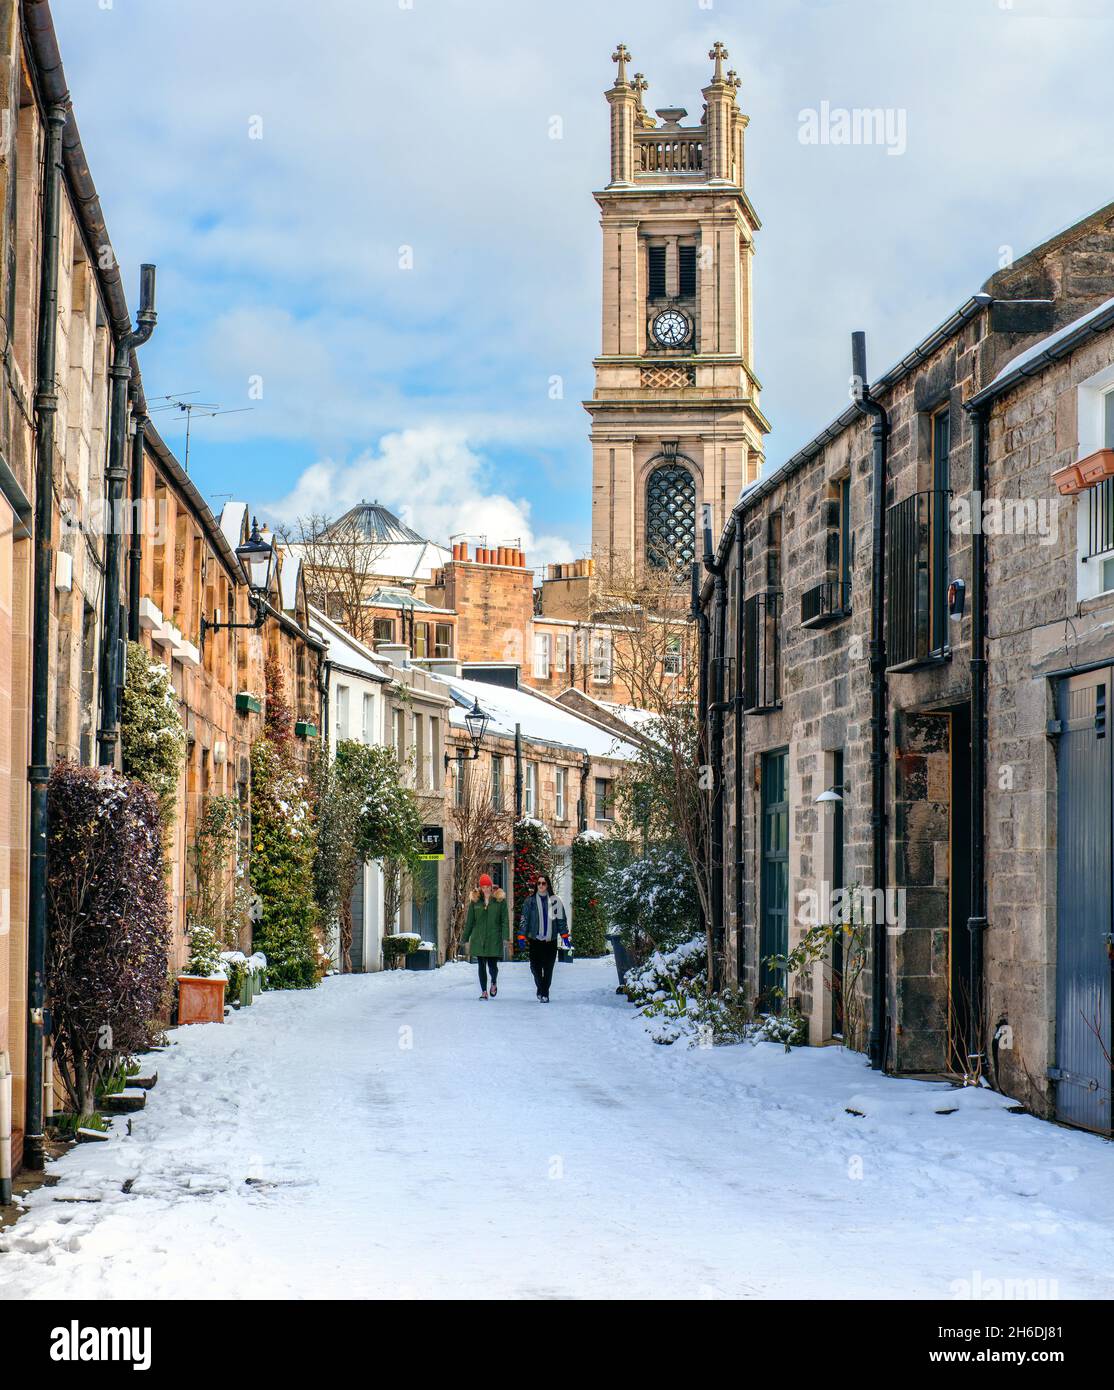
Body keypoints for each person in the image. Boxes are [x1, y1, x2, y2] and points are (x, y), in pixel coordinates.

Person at [517, 872, 570, 1002]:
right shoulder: (530, 901)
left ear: (547, 885)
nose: (541, 885)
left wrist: (564, 936)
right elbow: (524, 919)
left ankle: (545, 994)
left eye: (543, 883)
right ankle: (540, 988)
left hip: (550, 941)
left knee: (548, 969)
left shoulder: (555, 900)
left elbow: (561, 919)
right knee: (535, 968)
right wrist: (521, 936)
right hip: (536, 941)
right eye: (539, 883)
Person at [463, 873, 509, 1000]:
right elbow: (470, 921)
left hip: (494, 938)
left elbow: (505, 920)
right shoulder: (476, 901)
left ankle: (493, 982)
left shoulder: (499, 900)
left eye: (487, 886)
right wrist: (465, 938)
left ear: (491, 886)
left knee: (493, 966)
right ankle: (484, 991)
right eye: (483, 887)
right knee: (481, 965)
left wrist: (505, 937)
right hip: (479, 938)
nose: (485, 889)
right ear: (480, 887)